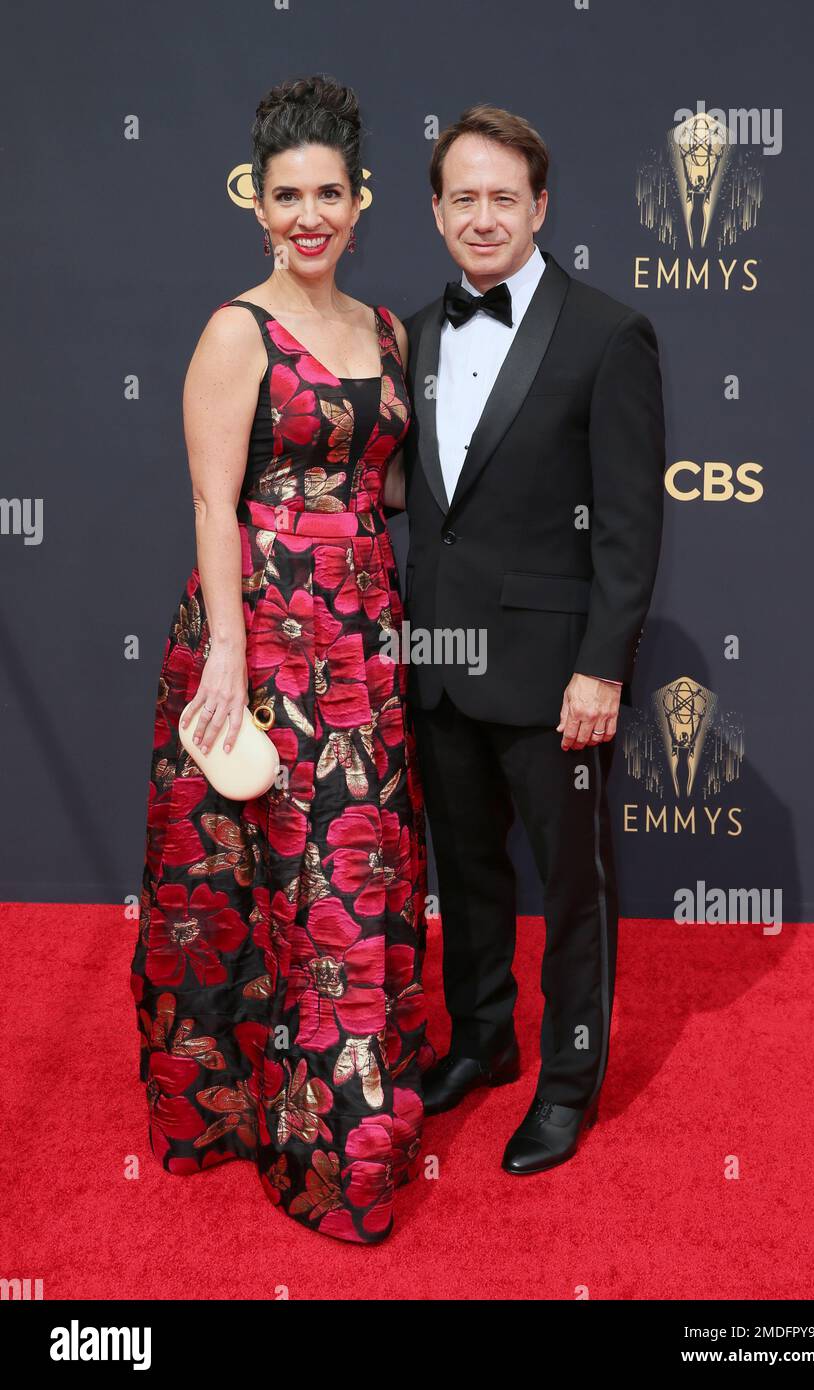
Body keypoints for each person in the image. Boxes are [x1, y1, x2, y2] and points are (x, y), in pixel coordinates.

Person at [130, 75, 434, 1245]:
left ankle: (337, 1125)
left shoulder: (387, 330)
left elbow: (391, 481)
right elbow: (214, 503)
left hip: (362, 631)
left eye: (329, 195)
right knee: (245, 880)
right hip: (259, 631)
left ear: (360, 205)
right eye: (286, 195)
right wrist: (224, 657)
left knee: (347, 883)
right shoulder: (236, 329)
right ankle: (246, 1116)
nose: (308, 215)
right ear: (257, 204)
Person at [393, 104, 665, 1175]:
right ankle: (481, 1040)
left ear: (539, 206)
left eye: (503, 196)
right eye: (462, 197)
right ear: (434, 211)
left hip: (557, 677)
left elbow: (631, 523)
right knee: (464, 876)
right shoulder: (410, 332)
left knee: (573, 893)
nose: (482, 215)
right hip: (441, 670)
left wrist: (601, 662)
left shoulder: (607, 333)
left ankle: (565, 1081)